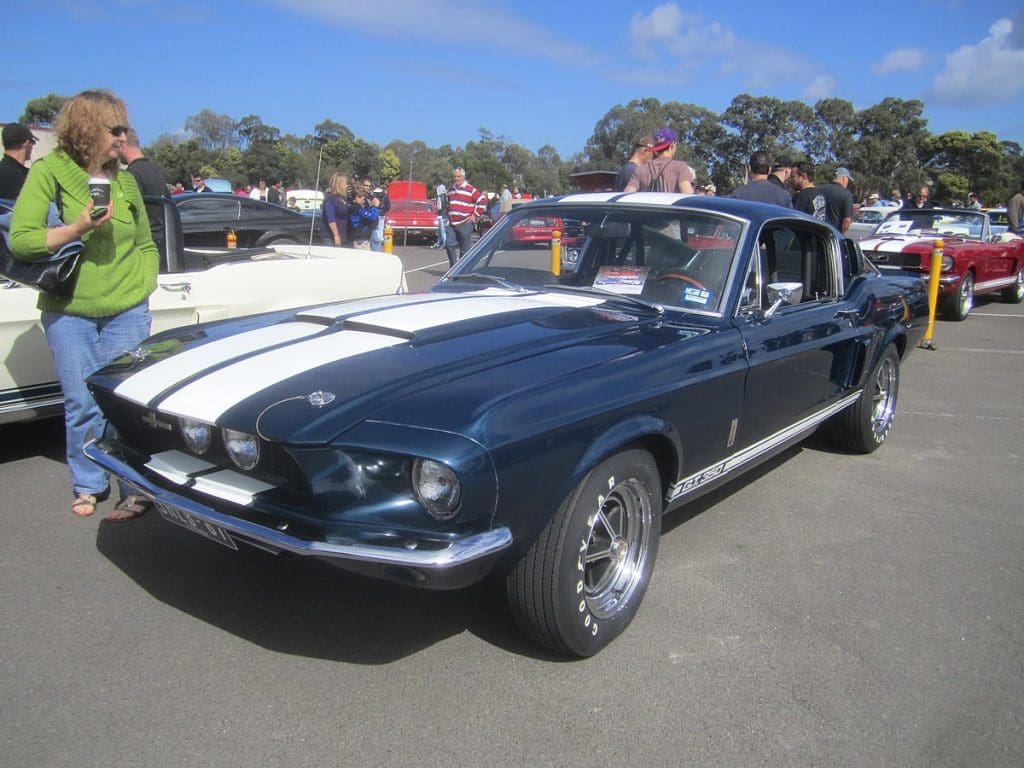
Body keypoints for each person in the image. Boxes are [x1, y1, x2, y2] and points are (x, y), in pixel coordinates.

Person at [8, 90, 158, 521]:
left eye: (125, 128)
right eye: (116, 129)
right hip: (69, 308)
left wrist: (144, 281)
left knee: (125, 402)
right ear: (87, 129)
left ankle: (134, 486)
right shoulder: (49, 173)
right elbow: (22, 240)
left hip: (128, 307)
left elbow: (147, 243)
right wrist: (76, 227)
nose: (124, 136)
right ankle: (89, 483)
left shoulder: (125, 178)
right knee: (81, 402)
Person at [118, 128, 168, 261]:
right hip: (163, 241)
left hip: (147, 247)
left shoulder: (131, 175)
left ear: (122, 144)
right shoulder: (155, 170)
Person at [624, 128, 696, 194]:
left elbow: (626, 195)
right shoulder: (681, 167)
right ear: (672, 145)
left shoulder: (640, 170)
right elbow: (688, 196)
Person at [445, 167, 486, 266]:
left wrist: (474, 216)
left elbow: (483, 201)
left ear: (463, 177)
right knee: (449, 245)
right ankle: (453, 268)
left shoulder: (470, 189)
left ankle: (462, 269)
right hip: (452, 224)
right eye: (454, 176)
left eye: (458, 176)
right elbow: (448, 203)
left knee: (464, 250)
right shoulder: (450, 190)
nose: (456, 178)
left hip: (465, 224)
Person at [0, 122, 38, 200]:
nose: (33, 146)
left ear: (3, 143)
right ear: (27, 143)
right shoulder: (30, 179)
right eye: (33, 142)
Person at [819, 167, 855, 233]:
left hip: (817, 231)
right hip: (832, 234)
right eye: (848, 180)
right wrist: (840, 234)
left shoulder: (819, 189)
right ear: (844, 178)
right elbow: (847, 220)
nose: (848, 183)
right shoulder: (846, 194)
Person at [321, 172, 349, 246]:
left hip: (342, 234)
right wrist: (336, 235)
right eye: (345, 184)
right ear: (339, 185)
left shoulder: (342, 198)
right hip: (330, 236)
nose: (347, 186)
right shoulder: (330, 199)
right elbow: (331, 219)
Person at [431, 182, 448, 249]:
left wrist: (436, 209)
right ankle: (438, 243)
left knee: (442, 231)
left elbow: (439, 207)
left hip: (440, 215)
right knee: (441, 231)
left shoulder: (439, 197)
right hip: (446, 215)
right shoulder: (446, 196)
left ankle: (444, 243)